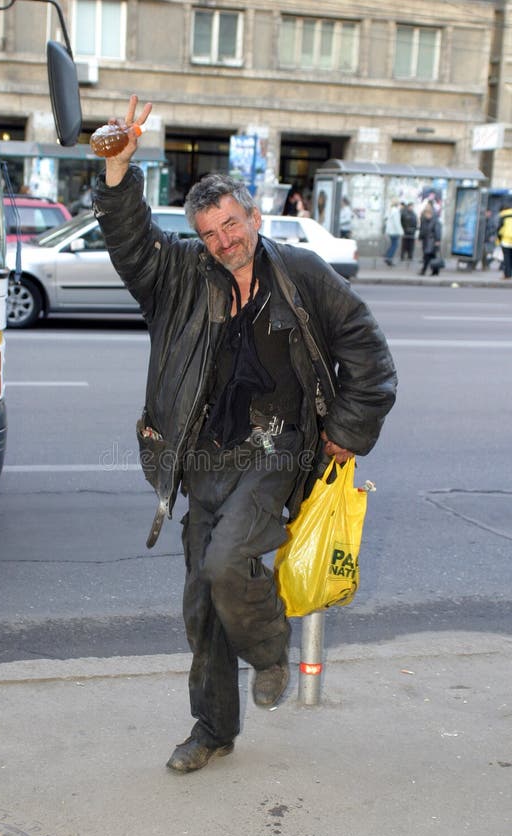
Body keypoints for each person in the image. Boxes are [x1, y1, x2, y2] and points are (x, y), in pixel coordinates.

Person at [93, 96, 397, 774]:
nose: (224, 240)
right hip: (203, 457)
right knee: (202, 602)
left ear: (255, 218)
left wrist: (348, 428)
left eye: (232, 224)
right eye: (209, 232)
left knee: (227, 563)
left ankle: (267, 651)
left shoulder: (304, 276)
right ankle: (213, 729)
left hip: (275, 452)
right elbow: (130, 242)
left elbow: (369, 353)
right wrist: (117, 173)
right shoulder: (179, 279)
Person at [418, 205, 442, 276]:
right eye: (426, 214)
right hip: (426, 241)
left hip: (432, 241)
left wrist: (437, 240)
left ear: (431, 214)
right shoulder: (424, 220)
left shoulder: (435, 221)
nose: (427, 215)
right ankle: (435, 271)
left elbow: (438, 231)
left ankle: (423, 270)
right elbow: (422, 230)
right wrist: (420, 238)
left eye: (428, 214)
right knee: (432, 256)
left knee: (427, 256)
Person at [383, 198, 403, 266]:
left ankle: (387, 256)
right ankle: (389, 258)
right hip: (394, 231)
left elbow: (386, 220)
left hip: (390, 231)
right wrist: (401, 232)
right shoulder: (396, 211)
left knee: (393, 244)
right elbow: (397, 223)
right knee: (394, 245)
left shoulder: (390, 210)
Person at [496, 201, 512, 280]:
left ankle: (507, 275)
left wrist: (499, 239)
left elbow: (499, 228)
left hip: (506, 240)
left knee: (507, 258)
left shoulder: (503, 215)